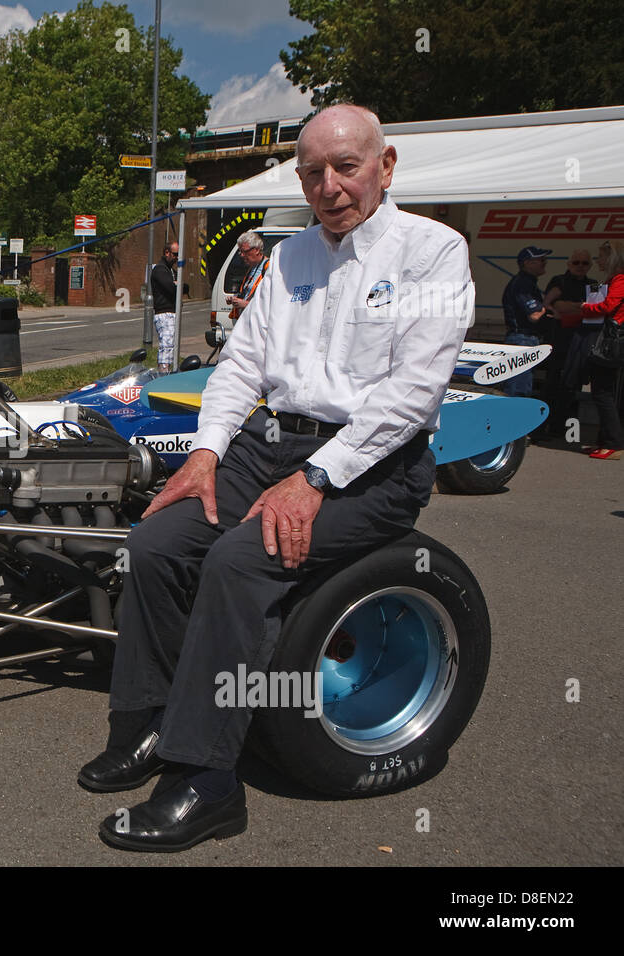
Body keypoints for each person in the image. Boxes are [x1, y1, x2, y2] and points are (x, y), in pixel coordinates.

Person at [77, 104, 471, 853]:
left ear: (385, 167)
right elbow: (241, 366)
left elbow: (413, 394)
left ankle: (206, 780)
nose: (329, 186)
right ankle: (148, 724)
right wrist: (206, 453)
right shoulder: (289, 257)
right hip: (270, 446)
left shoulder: (433, 252)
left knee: (236, 560)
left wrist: (315, 478)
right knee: (156, 540)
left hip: (374, 465)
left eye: (346, 167)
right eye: (313, 172)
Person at [540, 249, 597, 441]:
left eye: (585, 263)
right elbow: (553, 304)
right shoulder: (559, 281)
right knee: (552, 385)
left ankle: (567, 432)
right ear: (569, 264)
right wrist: (581, 306)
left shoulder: (593, 284)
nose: (580, 266)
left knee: (573, 388)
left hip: (581, 343)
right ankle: (542, 430)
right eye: (576, 263)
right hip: (559, 342)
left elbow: (595, 311)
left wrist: (569, 306)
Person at [577, 240, 624, 458]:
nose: (598, 261)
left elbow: (608, 306)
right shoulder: (612, 279)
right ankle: (605, 441)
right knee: (604, 393)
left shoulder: (620, 279)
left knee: (602, 393)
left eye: (601, 256)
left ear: (613, 258)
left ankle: (613, 444)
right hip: (609, 342)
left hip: (610, 343)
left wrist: (586, 308)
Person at [500, 246, 552, 397]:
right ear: (527, 263)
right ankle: (512, 419)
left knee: (520, 387)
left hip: (524, 339)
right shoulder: (523, 283)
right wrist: (549, 306)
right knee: (518, 390)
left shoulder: (527, 282)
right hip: (522, 341)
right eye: (541, 260)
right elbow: (534, 315)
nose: (545, 262)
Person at [150, 243, 189, 374]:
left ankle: (168, 370)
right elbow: (172, 289)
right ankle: (163, 372)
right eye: (175, 254)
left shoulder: (171, 270)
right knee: (167, 345)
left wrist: (179, 285)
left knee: (172, 344)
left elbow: (185, 287)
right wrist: (176, 285)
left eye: (179, 255)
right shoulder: (160, 270)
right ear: (167, 253)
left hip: (172, 312)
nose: (177, 258)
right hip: (164, 313)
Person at [224, 230, 269, 320]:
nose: (241, 255)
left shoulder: (269, 268)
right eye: (240, 252)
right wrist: (235, 299)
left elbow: (270, 303)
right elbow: (248, 294)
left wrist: (245, 304)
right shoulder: (251, 268)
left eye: (244, 251)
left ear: (256, 250)